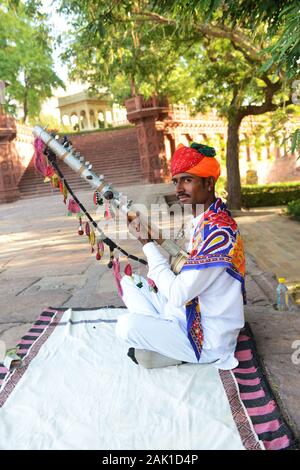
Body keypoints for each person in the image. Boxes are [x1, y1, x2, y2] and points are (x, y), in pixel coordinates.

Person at [115, 142, 245, 370]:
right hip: (185, 311)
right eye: (176, 181)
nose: (178, 189)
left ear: (208, 182)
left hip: (207, 338)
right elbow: (186, 261)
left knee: (126, 326)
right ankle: (162, 335)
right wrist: (153, 235)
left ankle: (166, 343)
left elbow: (178, 294)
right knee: (129, 283)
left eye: (187, 180)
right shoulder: (207, 218)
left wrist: (147, 244)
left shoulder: (219, 233)